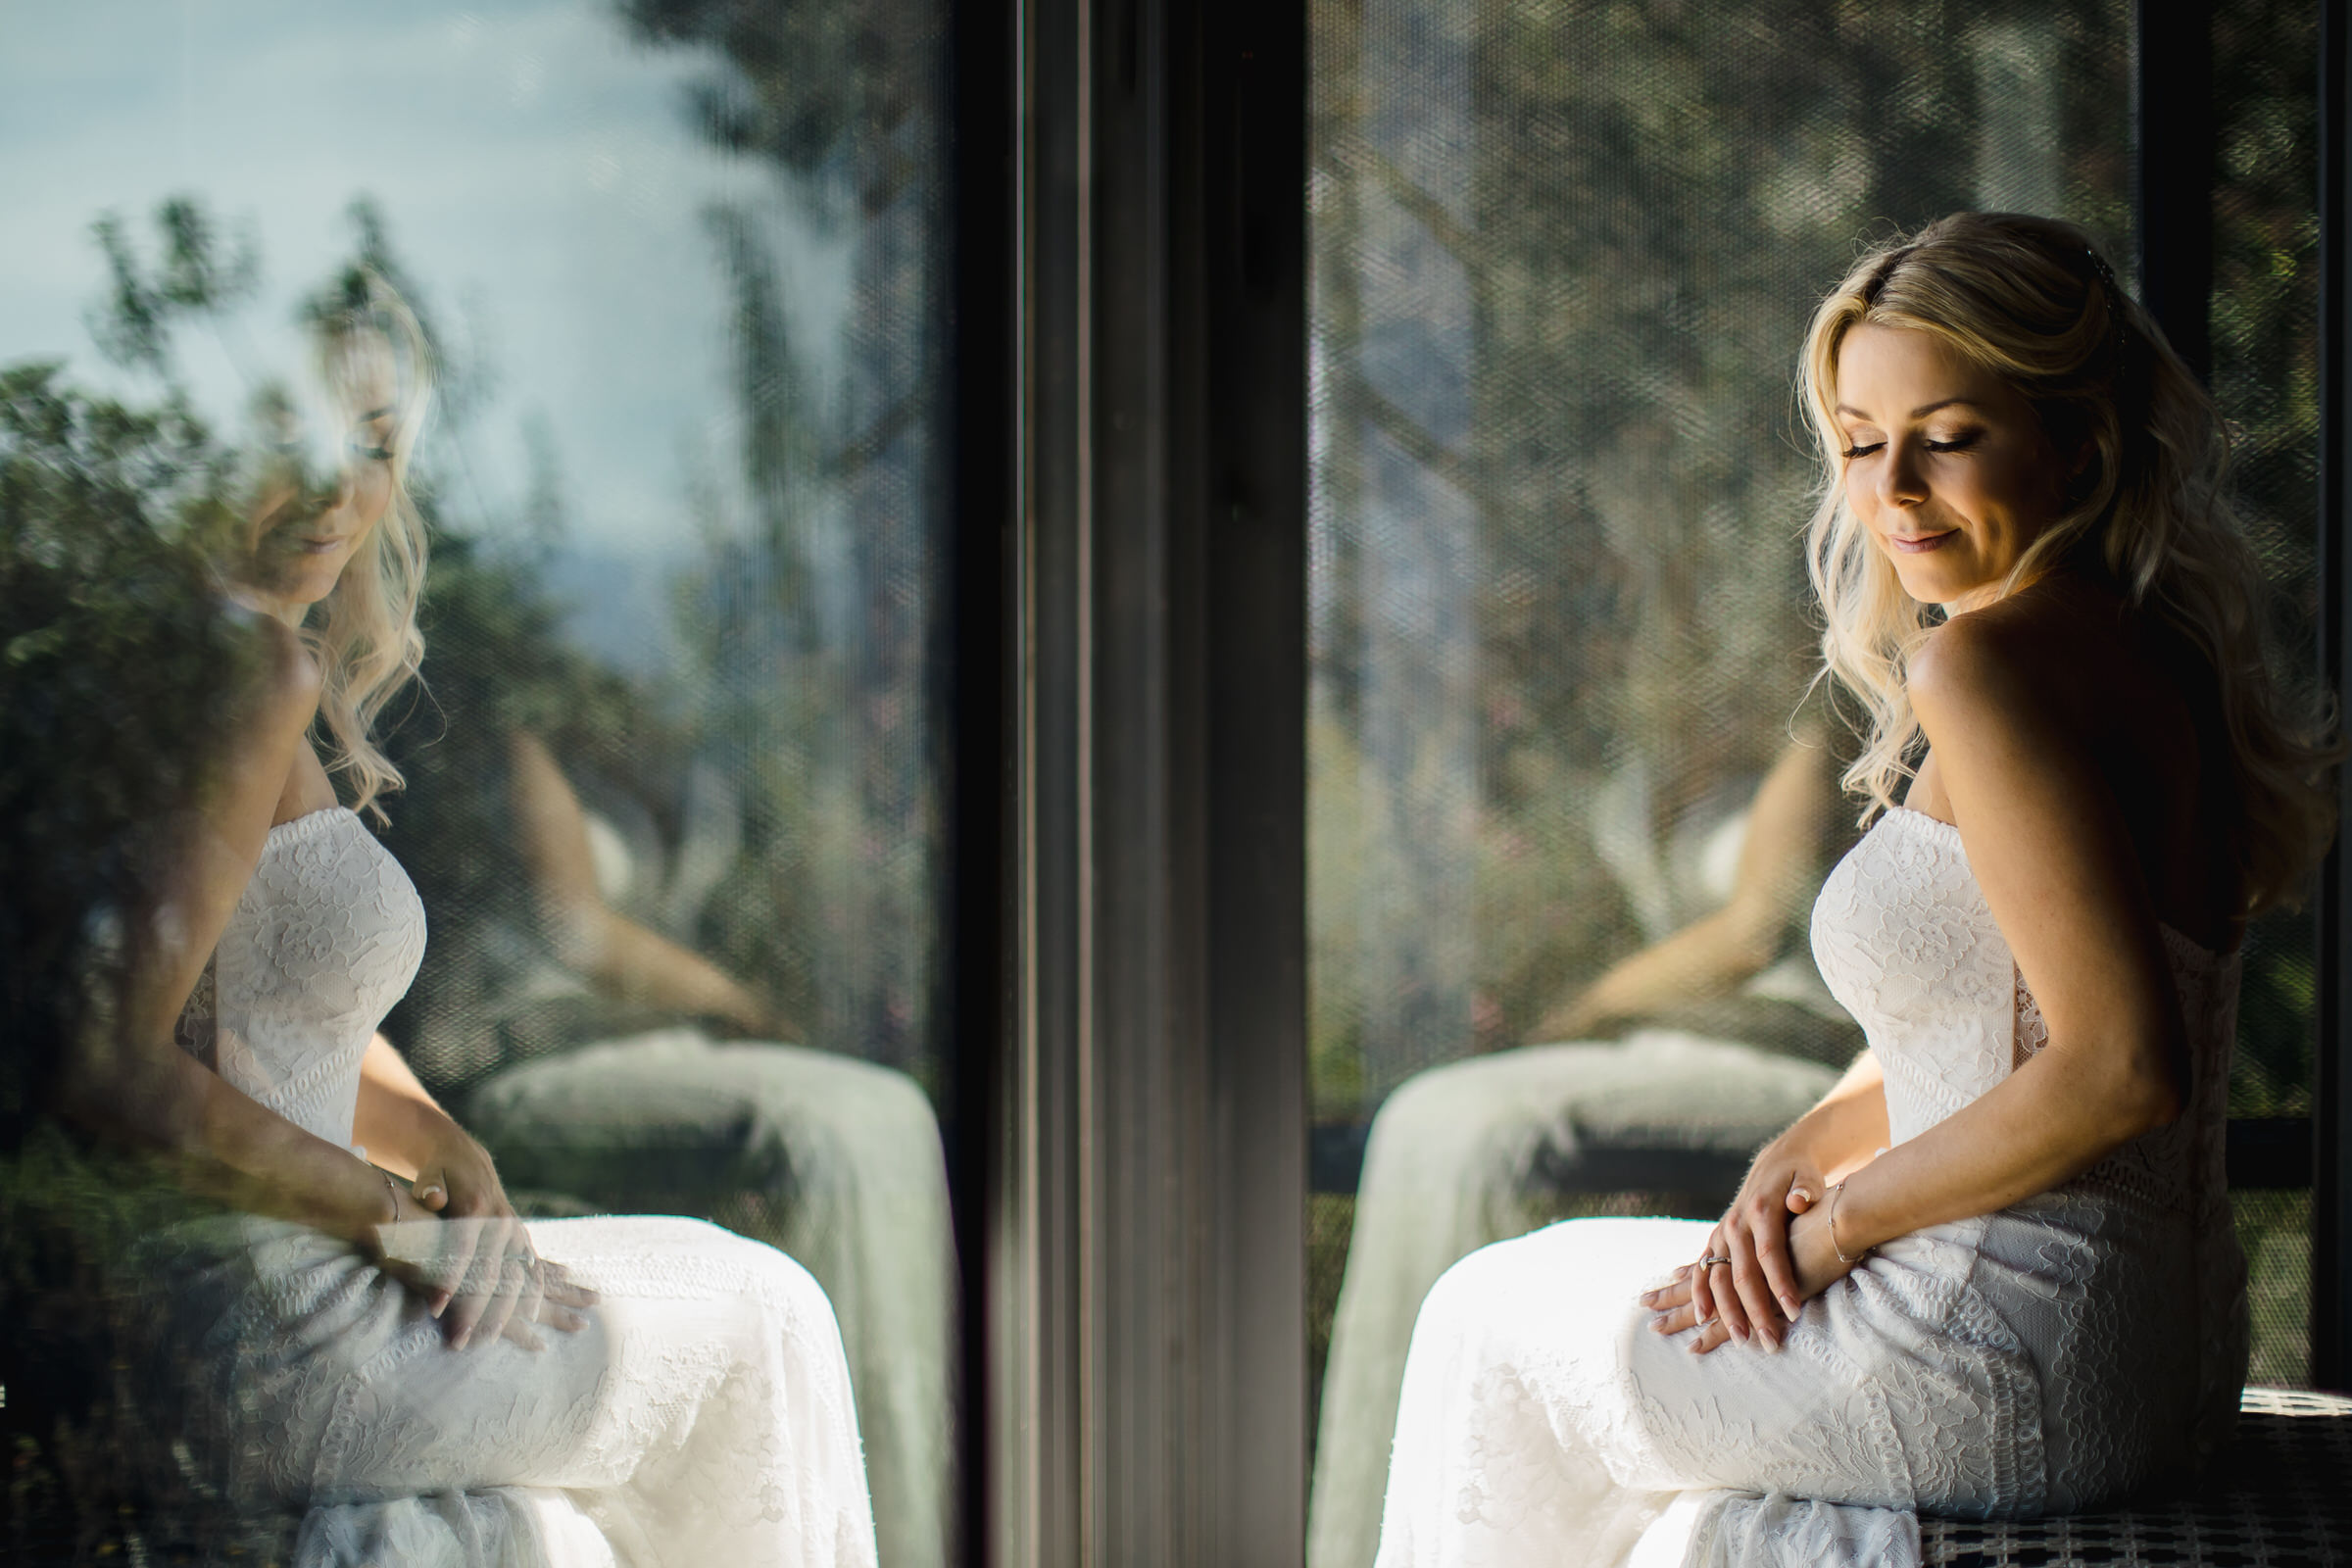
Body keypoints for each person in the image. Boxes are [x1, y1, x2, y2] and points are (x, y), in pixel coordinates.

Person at [1372, 212, 2338, 1567]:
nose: (1892, 491)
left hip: (2008, 1355)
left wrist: (1835, 1232)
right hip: (2160, 1360)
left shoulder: (1987, 671)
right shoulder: (2157, 656)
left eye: (1947, 436)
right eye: (1860, 439)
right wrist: (1802, 1150)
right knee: (1563, 1327)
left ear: (2079, 438)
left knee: (1490, 1317)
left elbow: (2122, 1068)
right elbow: (2006, 1025)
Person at [50, 276, 880, 1566]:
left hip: (247, 1297)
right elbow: (112, 1061)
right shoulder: (247, 672)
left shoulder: (207, 664)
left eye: (373, 447)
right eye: (295, 442)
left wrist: (433, 1133)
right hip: (274, 1313)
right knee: (767, 1310)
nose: (337, 492)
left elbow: (259, 1007)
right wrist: (386, 1210)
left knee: (530, 1524)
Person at [1310, 725, 1863, 1568]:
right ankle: (1372, 1533)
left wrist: (1582, 1009)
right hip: (1664, 1039)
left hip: (1793, 1050)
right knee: (1428, 1115)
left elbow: (1755, 930)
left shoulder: (1829, 729)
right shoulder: (1651, 755)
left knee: (1487, 1138)